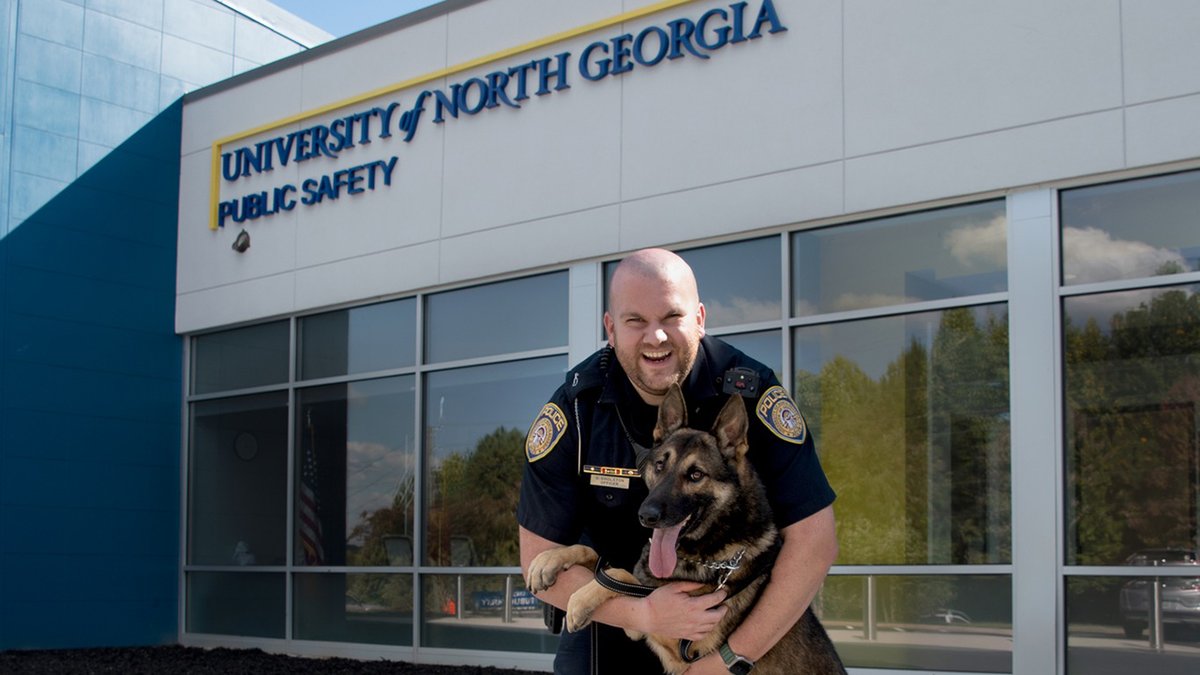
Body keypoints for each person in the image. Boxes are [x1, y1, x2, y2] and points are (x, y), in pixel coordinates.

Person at [518, 248, 838, 674]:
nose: (657, 338)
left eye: (672, 317)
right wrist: (644, 614)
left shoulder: (751, 392)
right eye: (636, 321)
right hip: (609, 610)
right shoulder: (578, 408)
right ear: (611, 329)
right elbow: (537, 558)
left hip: (733, 622)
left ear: (700, 320)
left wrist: (729, 661)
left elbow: (815, 544)